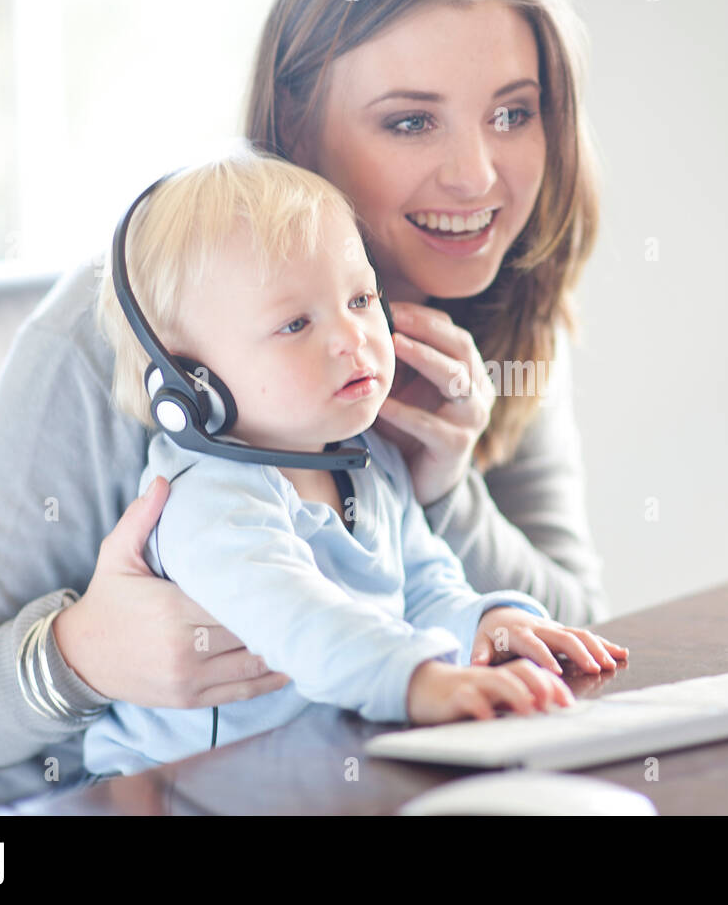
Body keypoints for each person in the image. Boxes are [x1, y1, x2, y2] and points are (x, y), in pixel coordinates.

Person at [0, 0, 608, 812]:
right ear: (295, 123)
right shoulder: (120, 330)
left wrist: (441, 495)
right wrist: (78, 655)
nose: (478, 176)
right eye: (411, 121)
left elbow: (579, 629)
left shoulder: (487, 303)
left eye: (513, 113)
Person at [85, 149, 623, 776]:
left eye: (362, 298)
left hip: (314, 765)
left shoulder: (366, 461)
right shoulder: (206, 501)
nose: (352, 337)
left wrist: (489, 622)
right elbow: (301, 620)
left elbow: (421, 585)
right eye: (295, 324)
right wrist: (418, 679)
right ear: (188, 380)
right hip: (169, 790)